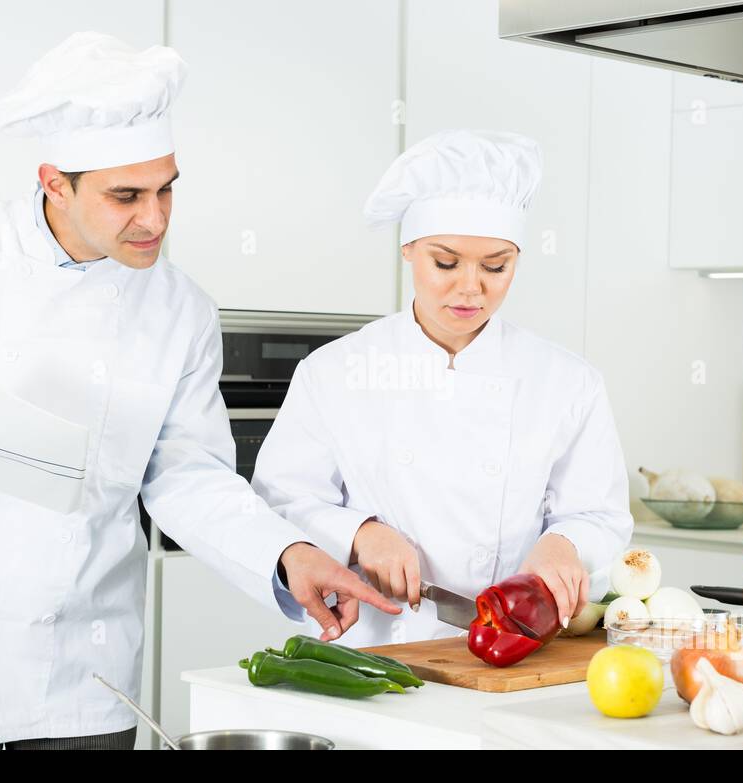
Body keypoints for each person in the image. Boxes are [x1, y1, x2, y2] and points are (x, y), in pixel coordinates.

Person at [0, 31, 395, 749]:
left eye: (167, 188)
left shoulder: (181, 310)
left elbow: (188, 478)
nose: (156, 218)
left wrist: (286, 554)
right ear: (55, 183)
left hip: (81, 681)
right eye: (126, 196)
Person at [253, 129, 633, 647]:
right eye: (446, 262)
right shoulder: (336, 371)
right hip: (379, 649)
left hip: (517, 650)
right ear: (408, 249)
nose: (471, 287)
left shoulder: (568, 382)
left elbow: (600, 515)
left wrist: (565, 544)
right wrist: (361, 534)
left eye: (497, 266)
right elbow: (280, 501)